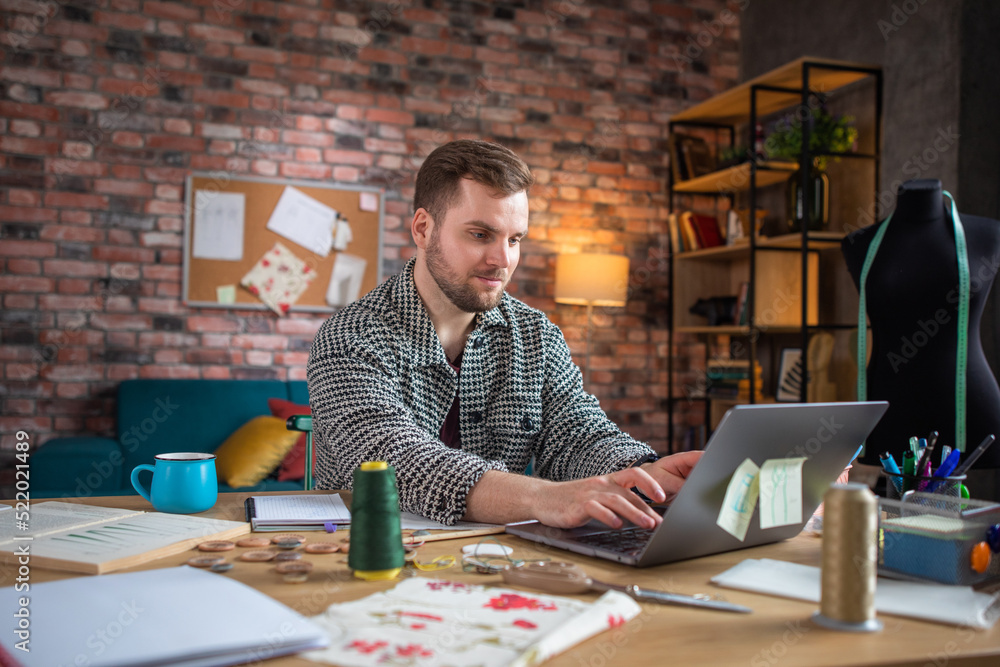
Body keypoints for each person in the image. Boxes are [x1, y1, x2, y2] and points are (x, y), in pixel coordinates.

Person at [308, 139, 702, 528]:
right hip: (368, 559)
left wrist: (642, 473)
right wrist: (544, 497)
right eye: (480, 234)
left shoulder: (537, 336)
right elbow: (395, 461)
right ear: (424, 229)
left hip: (497, 560)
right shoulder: (350, 337)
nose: (503, 260)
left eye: (514, 240)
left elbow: (577, 435)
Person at [842, 179, 1000, 471]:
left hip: (969, 404)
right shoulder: (860, 243)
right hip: (890, 404)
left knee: (964, 512)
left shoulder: (989, 234)